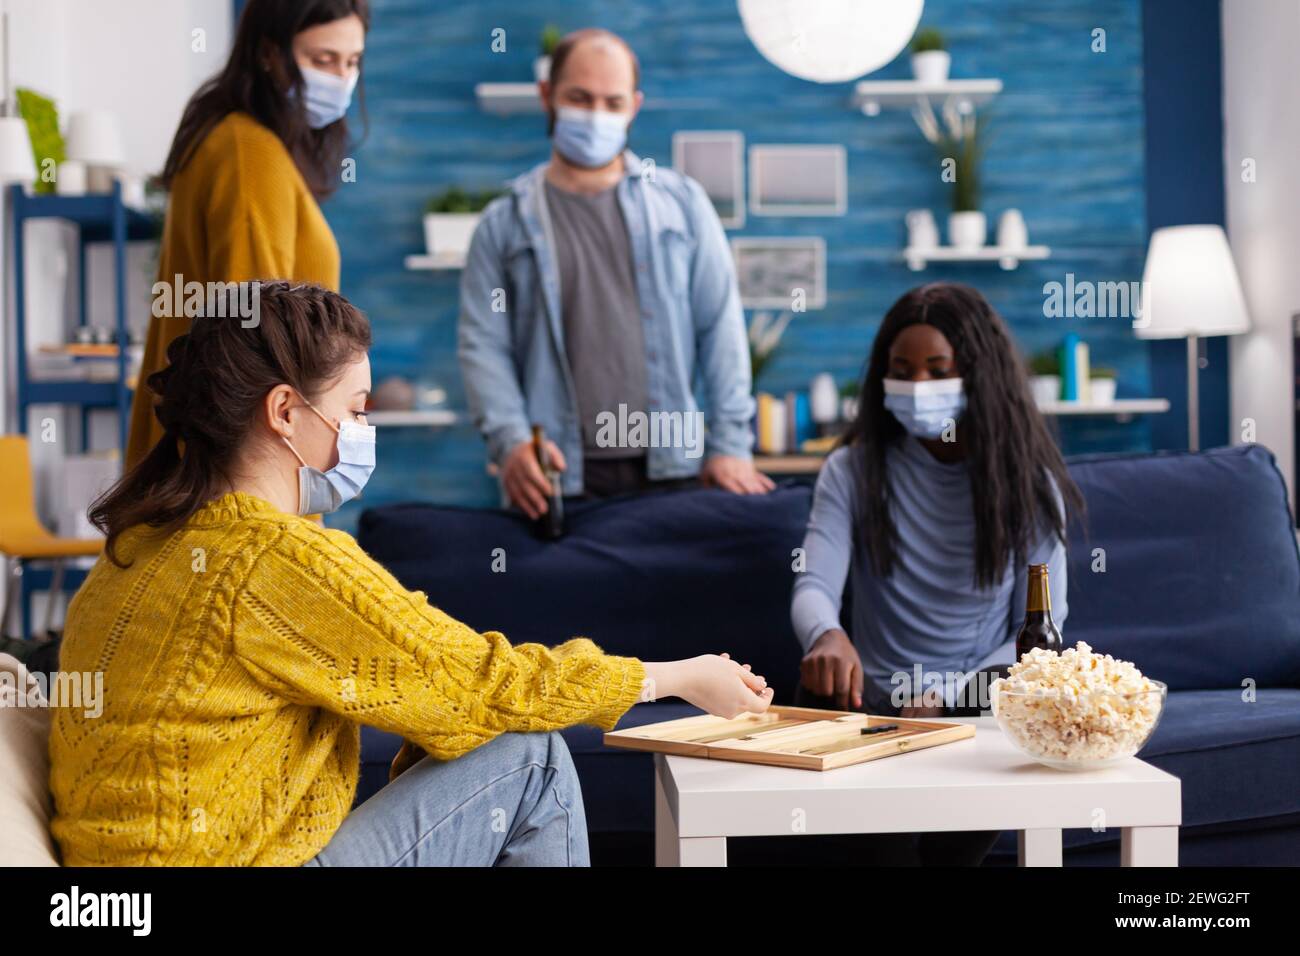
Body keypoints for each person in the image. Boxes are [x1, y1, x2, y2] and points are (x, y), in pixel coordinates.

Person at [49, 282, 774, 867]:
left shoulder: (135, 550)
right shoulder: (272, 558)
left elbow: (434, 686)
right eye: (354, 412)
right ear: (283, 413)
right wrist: (676, 676)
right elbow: (486, 684)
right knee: (534, 757)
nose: (363, 433)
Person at [791, 282, 1084, 865]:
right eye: (901, 370)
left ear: (977, 374)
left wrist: (946, 696)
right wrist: (826, 633)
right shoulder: (851, 470)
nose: (916, 387)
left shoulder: (1028, 486)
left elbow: (1037, 631)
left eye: (936, 369)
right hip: (868, 709)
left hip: (976, 707)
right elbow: (814, 584)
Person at [458, 28, 773, 519]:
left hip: (675, 468)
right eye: (580, 98)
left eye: (612, 101)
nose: (596, 115)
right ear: (547, 96)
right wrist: (511, 442)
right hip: (557, 475)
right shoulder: (504, 224)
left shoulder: (683, 204)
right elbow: (483, 345)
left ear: (634, 106)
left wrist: (730, 443)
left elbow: (721, 326)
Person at [125, 0, 368, 470]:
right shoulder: (249, 154)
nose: (341, 78)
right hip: (238, 481)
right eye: (322, 60)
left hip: (220, 474)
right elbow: (254, 346)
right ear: (269, 53)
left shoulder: (242, 144)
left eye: (352, 61)